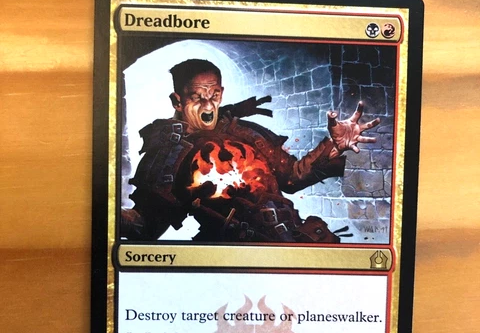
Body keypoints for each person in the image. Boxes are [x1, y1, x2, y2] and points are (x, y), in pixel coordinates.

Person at [121, 59, 379, 243]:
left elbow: (291, 176)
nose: (208, 105)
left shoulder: (244, 132)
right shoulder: (172, 150)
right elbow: (145, 225)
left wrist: (333, 144)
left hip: (294, 240)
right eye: (197, 97)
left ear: (221, 93)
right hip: (237, 255)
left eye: (214, 94)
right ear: (177, 101)